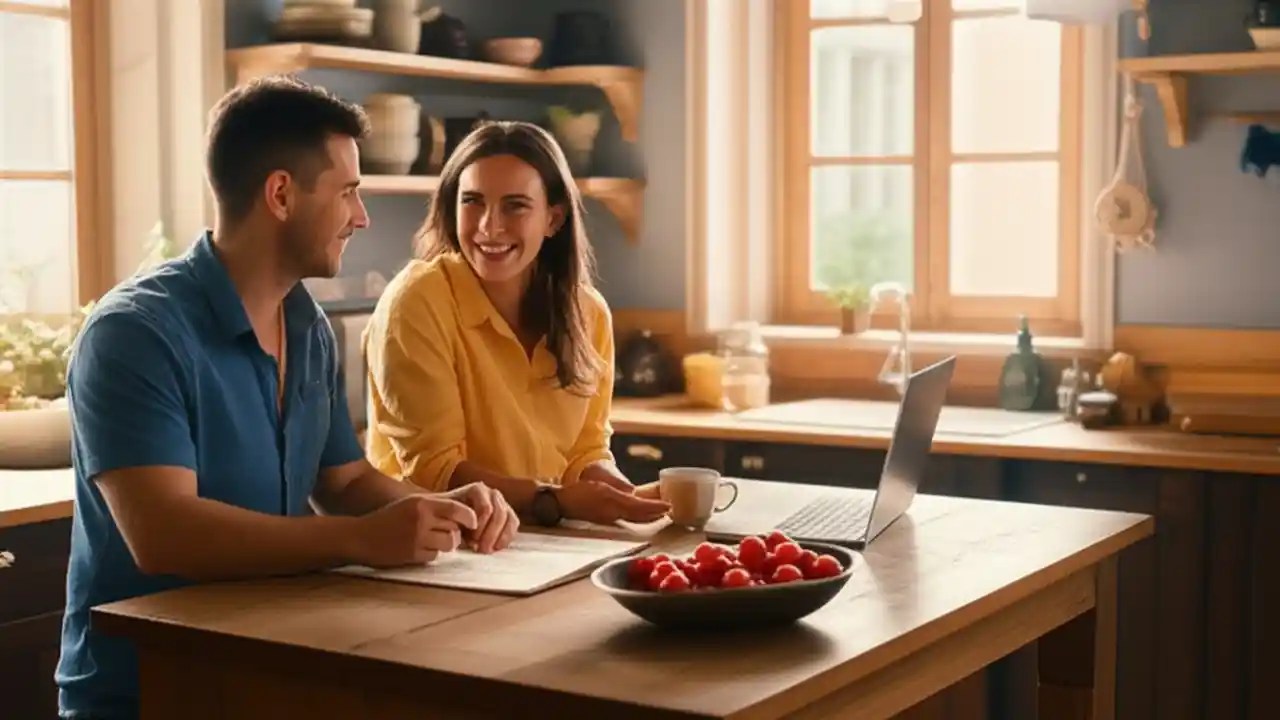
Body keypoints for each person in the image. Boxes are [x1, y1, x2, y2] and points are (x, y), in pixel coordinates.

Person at [55, 76, 518, 720]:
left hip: (267, 670)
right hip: (146, 691)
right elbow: (164, 535)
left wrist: (439, 506)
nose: (362, 217)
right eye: (349, 192)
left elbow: (347, 480)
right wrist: (359, 541)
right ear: (280, 194)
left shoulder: (307, 325)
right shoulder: (134, 333)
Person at [362, 121, 670, 529]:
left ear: (553, 219)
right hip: (440, 549)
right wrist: (557, 501)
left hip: (545, 543)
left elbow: (585, 452)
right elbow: (435, 472)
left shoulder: (589, 314)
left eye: (515, 205)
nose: (489, 225)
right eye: (472, 201)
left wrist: (626, 498)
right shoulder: (417, 302)